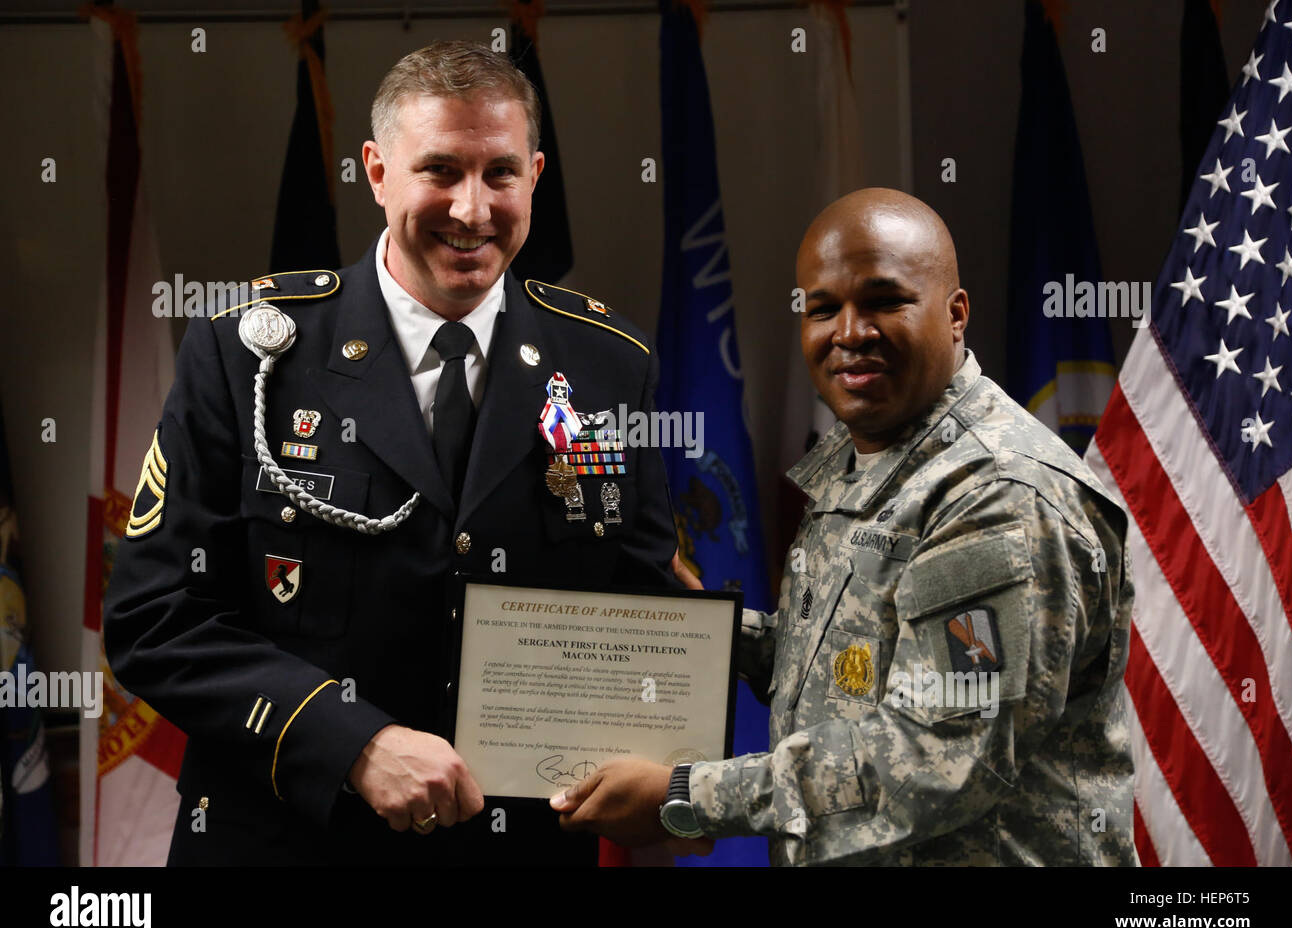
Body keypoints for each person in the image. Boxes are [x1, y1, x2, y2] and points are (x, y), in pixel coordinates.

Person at [104, 41, 679, 866]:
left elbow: (643, 607)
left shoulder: (605, 364)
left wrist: (678, 780)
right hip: (282, 843)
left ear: (537, 176)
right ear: (376, 172)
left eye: (501, 174)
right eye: (439, 170)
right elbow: (153, 619)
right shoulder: (247, 354)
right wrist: (350, 742)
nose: (473, 210)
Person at [552, 188, 1139, 866]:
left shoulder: (998, 494)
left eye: (885, 300)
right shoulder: (871, 455)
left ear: (955, 315)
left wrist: (687, 796)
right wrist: (703, 632)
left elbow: (935, 756)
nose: (850, 331)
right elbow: (854, 667)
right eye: (823, 308)